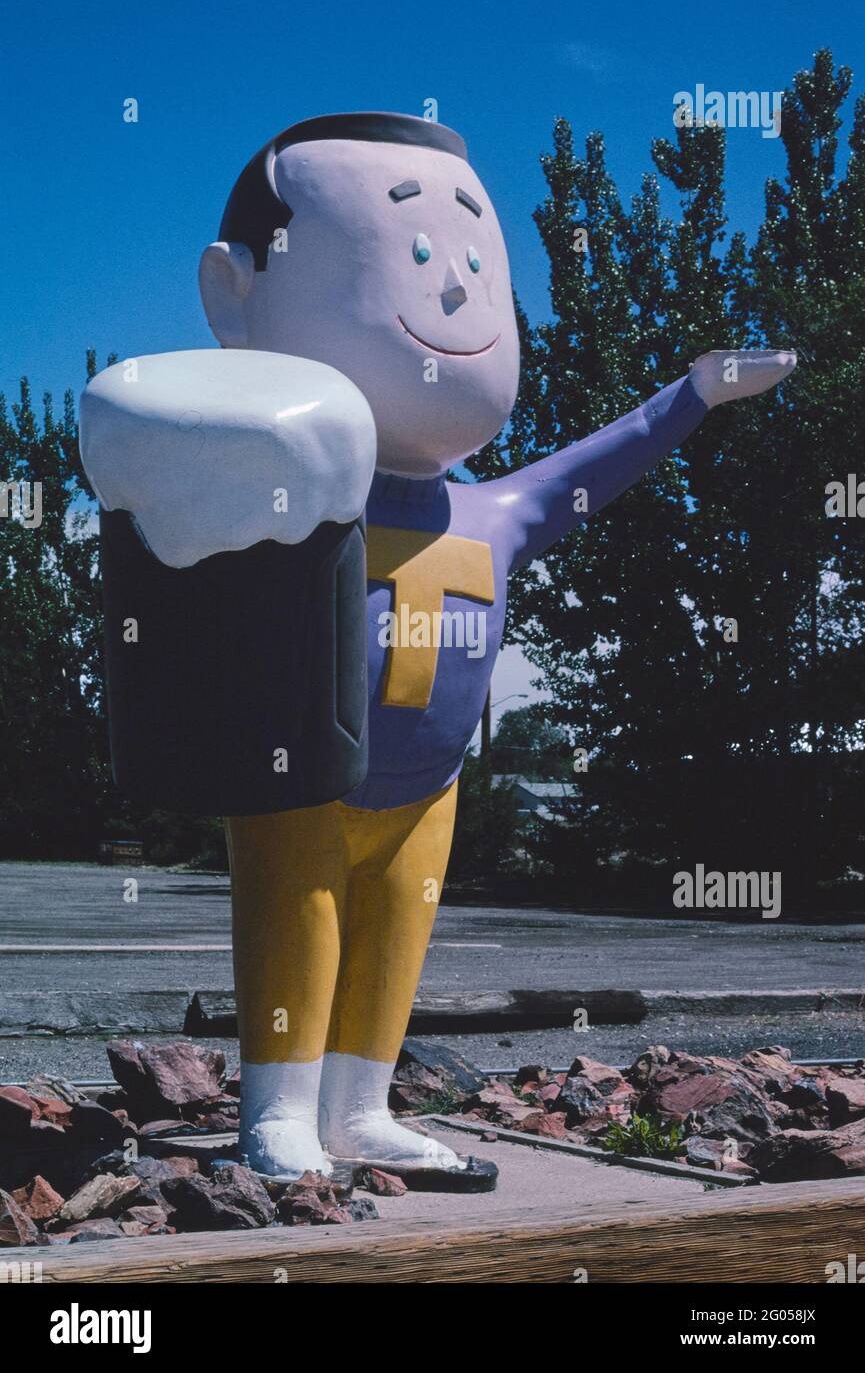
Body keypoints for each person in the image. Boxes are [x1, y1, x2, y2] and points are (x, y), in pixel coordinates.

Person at [82, 112, 796, 1179]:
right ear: (237, 292)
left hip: (433, 783)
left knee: (397, 936)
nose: (456, 286)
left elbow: (599, 466)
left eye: (473, 258)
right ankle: (277, 1109)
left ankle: (359, 1104)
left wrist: (691, 393)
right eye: (416, 252)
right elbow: (138, 447)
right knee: (296, 917)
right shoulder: (289, 500)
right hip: (304, 768)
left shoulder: (493, 513)